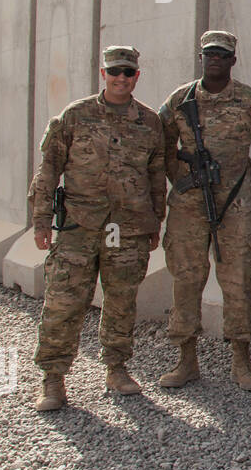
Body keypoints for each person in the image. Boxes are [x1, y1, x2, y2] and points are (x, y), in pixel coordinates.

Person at [29, 46, 165, 411]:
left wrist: (156, 221)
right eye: (114, 71)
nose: (121, 77)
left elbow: (156, 176)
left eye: (128, 72)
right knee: (64, 301)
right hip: (79, 225)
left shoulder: (149, 123)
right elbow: (48, 170)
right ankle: (53, 379)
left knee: (121, 301)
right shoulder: (75, 116)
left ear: (137, 76)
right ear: (102, 74)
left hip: (130, 227)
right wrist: (42, 219)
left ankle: (117, 368)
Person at [158, 30, 251, 391]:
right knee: (186, 277)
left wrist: (249, 183)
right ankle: (186, 360)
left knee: (238, 277)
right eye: (209, 54)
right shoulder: (179, 99)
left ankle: (242, 362)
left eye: (222, 54)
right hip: (188, 205)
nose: (215, 59)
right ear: (201, 57)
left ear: (233, 60)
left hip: (236, 205)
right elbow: (162, 145)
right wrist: (181, 179)